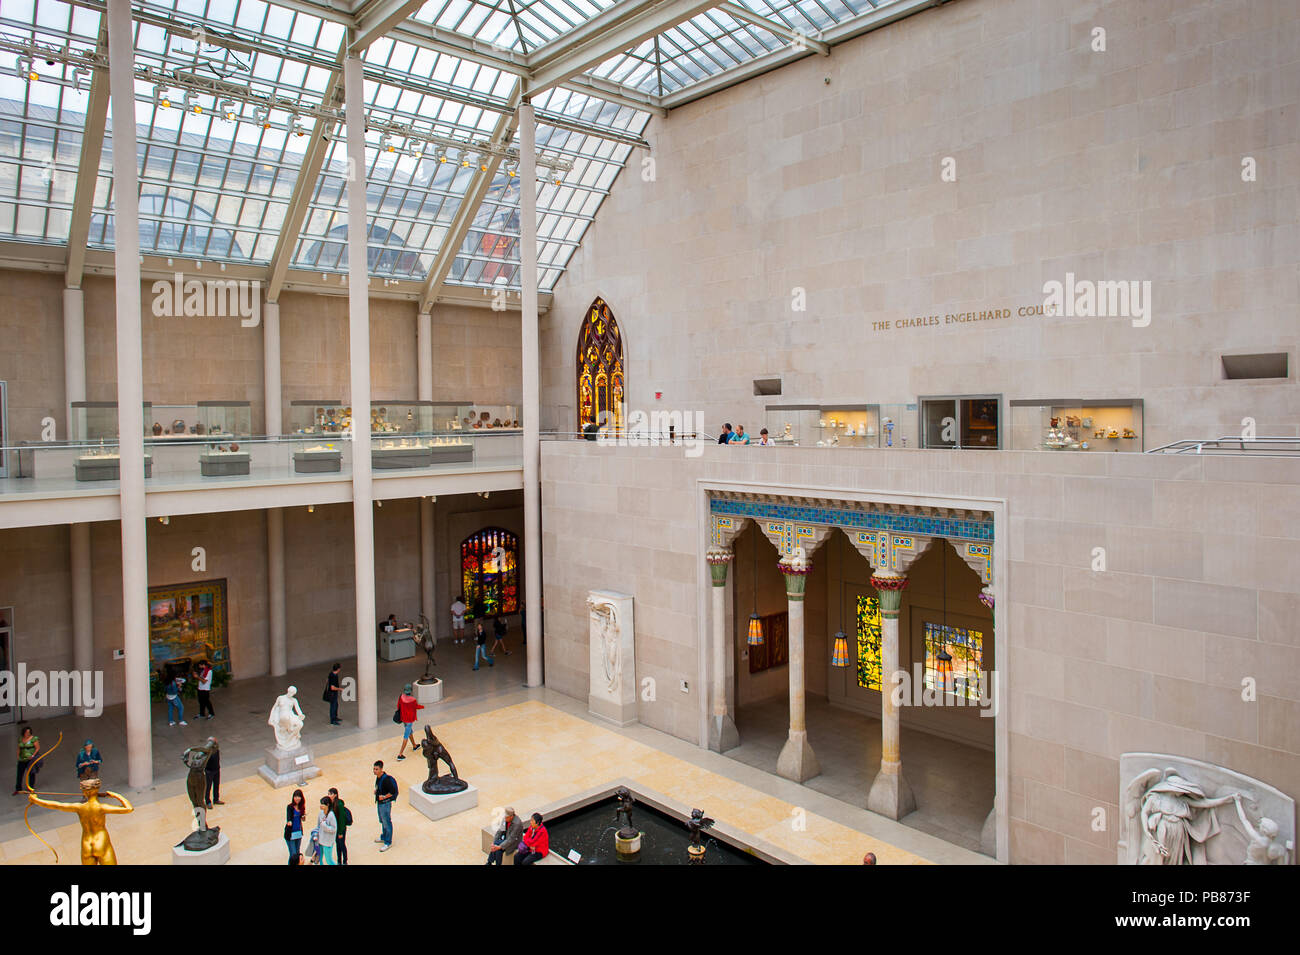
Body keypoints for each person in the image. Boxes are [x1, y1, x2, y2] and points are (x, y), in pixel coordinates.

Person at [373, 760, 397, 852]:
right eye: (374, 769)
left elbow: (392, 792)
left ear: (381, 769)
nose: (374, 771)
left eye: (376, 769)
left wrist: (383, 797)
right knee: (382, 820)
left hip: (385, 804)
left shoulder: (386, 780)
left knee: (386, 821)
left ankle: (388, 842)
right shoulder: (378, 778)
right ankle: (384, 836)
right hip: (380, 803)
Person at [396, 684, 424, 760]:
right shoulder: (413, 700)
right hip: (409, 720)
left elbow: (398, 706)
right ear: (411, 691)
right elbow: (416, 706)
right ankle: (400, 754)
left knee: (410, 732)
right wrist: (423, 706)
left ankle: (414, 746)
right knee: (406, 736)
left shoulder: (401, 697)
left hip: (403, 719)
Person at [13, 725, 39, 795]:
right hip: (22, 759)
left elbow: (37, 748)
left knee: (31, 773)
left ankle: (30, 788)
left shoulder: (34, 739)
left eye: (29, 732)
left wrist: (33, 755)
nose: (28, 734)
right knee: (20, 774)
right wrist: (18, 756)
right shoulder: (21, 739)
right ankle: (18, 789)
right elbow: (19, 748)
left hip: (30, 760)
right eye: (26, 732)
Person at [285, 789, 307, 865]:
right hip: (291, 834)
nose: (297, 798)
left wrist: (303, 817)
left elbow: (302, 819)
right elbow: (288, 817)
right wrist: (289, 821)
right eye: (295, 796)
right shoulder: (290, 807)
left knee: (297, 854)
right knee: (293, 855)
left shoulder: (301, 807)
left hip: (298, 833)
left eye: (299, 796)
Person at [329, 787, 351, 865]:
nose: (329, 795)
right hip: (335, 829)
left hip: (340, 829)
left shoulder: (339, 804)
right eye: (329, 794)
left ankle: (345, 861)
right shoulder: (331, 804)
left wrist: (341, 832)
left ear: (335, 795)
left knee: (342, 845)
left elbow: (341, 819)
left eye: (331, 794)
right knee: (338, 845)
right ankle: (339, 861)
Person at [316, 796, 338, 865]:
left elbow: (334, 829)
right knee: (320, 859)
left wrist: (324, 826)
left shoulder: (331, 815)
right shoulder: (320, 813)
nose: (321, 806)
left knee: (329, 860)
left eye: (323, 804)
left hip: (328, 842)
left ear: (327, 805)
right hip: (320, 840)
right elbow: (318, 826)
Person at [204, 737, 223, 808]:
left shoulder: (216, 749)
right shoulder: (207, 751)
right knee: (208, 787)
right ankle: (208, 801)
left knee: (216, 785)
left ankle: (216, 799)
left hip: (216, 769)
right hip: (209, 771)